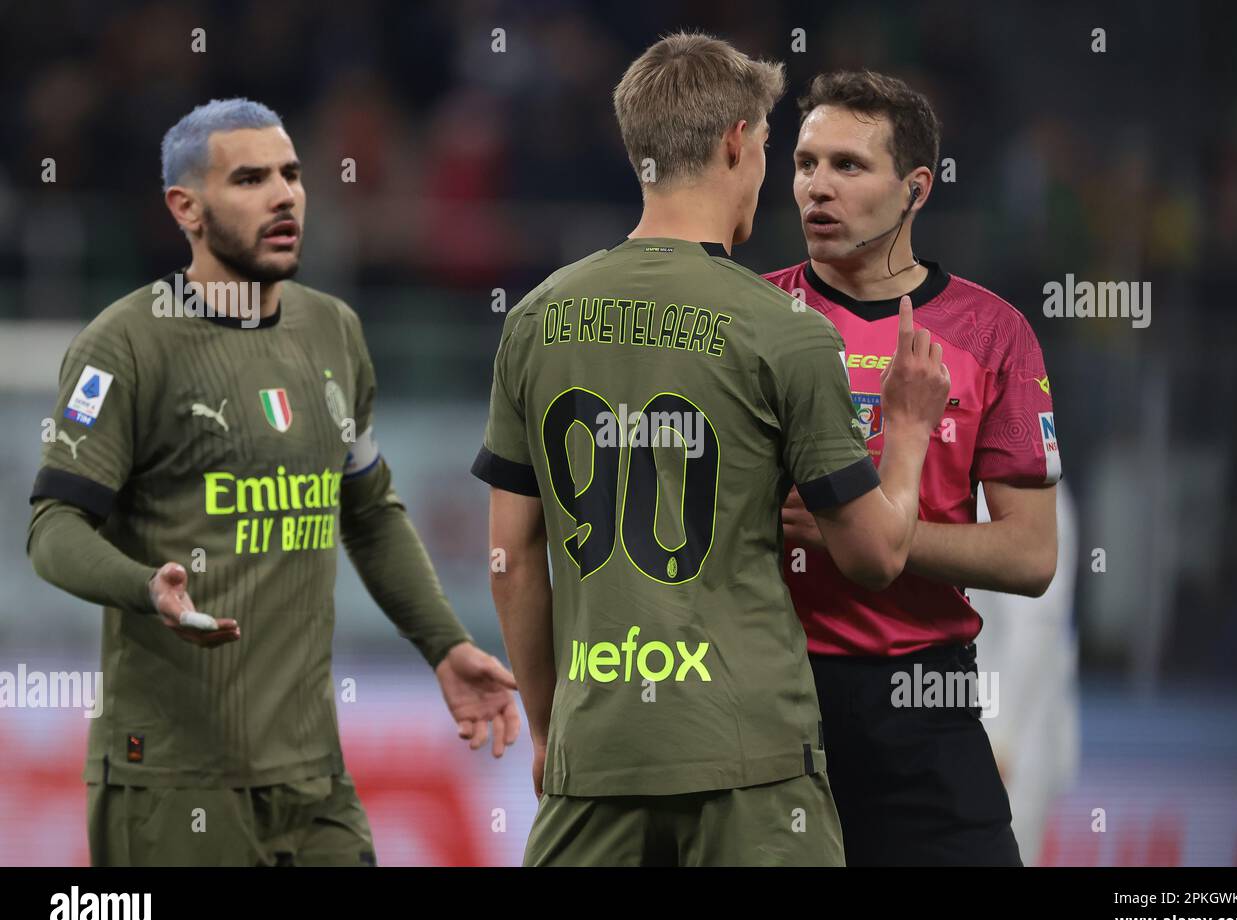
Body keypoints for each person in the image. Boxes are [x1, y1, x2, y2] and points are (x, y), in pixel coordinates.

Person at [471, 34, 949, 866]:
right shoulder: (786, 332)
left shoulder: (535, 319)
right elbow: (875, 555)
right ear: (736, 142)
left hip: (600, 755)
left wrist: (554, 733)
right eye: (769, 149)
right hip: (750, 762)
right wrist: (906, 435)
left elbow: (510, 554)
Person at [26, 98, 519, 866]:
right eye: (251, 178)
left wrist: (444, 645)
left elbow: (371, 511)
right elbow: (53, 527)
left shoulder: (334, 331)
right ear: (185, 207)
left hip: (313, 778)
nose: (285, 194)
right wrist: (142, 586)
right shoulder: (125, 345)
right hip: (171, 782)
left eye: (291, 174)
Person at [771, 70, 1062, 865]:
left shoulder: (993, 333)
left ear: (915, 190)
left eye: (848, 166)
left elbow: (1032, 557)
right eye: (805, 163)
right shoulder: (752, 319)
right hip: (772, 701)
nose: (816, 188)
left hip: (926, 703)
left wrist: (866, 535)